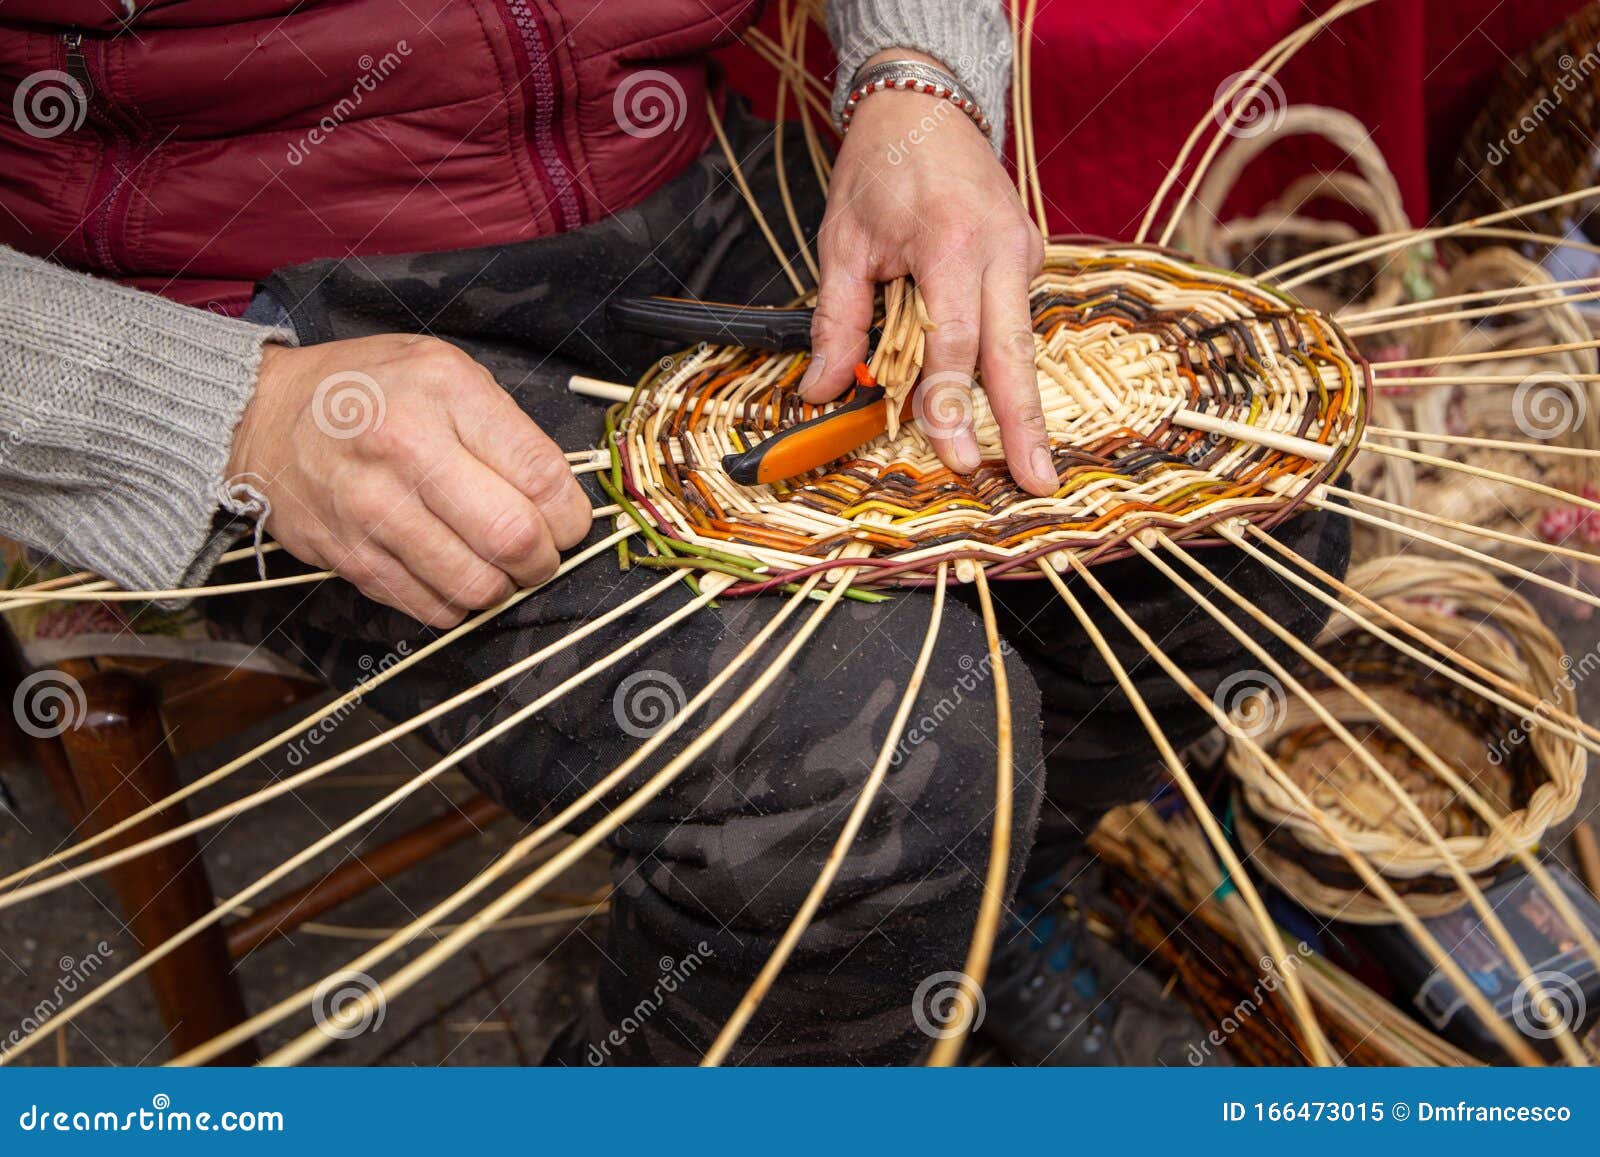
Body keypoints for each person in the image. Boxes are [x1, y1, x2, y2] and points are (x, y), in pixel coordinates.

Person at [0, 1, 1345, 1064]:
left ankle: (954, 927)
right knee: (873, 756)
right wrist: (224, 411)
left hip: (683, 191)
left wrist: (918, 75)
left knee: (1247, 515)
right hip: (247, 316)